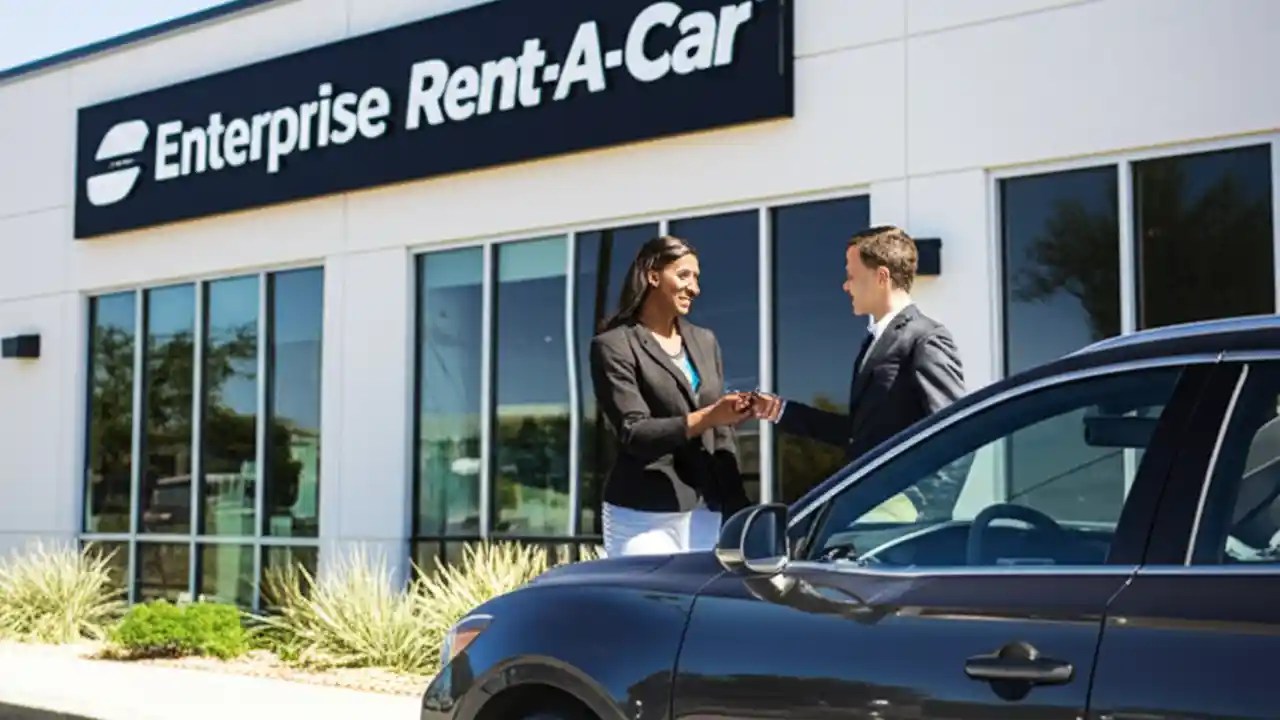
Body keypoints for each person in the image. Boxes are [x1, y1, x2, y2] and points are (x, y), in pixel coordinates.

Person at [751, 226, 966, 508]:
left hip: (905, 519)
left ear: (881, 277)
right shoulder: (872, 343)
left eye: (852, 276)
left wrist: (929, 513)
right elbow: (858, 433)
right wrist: (780, 411)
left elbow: (955, 433)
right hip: (869, 507)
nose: (845, 285)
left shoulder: (925, 338)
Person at [589, 235, 752, 557]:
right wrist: (709, 416)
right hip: (643, 513)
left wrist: (738, 508)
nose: (694, 288)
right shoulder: (614, 346)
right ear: (653, 276)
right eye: (684, 275)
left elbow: (721, 435)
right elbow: (634, 432)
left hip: (707, 511)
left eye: (697, 278)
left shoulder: (705, 341)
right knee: (649, 605)